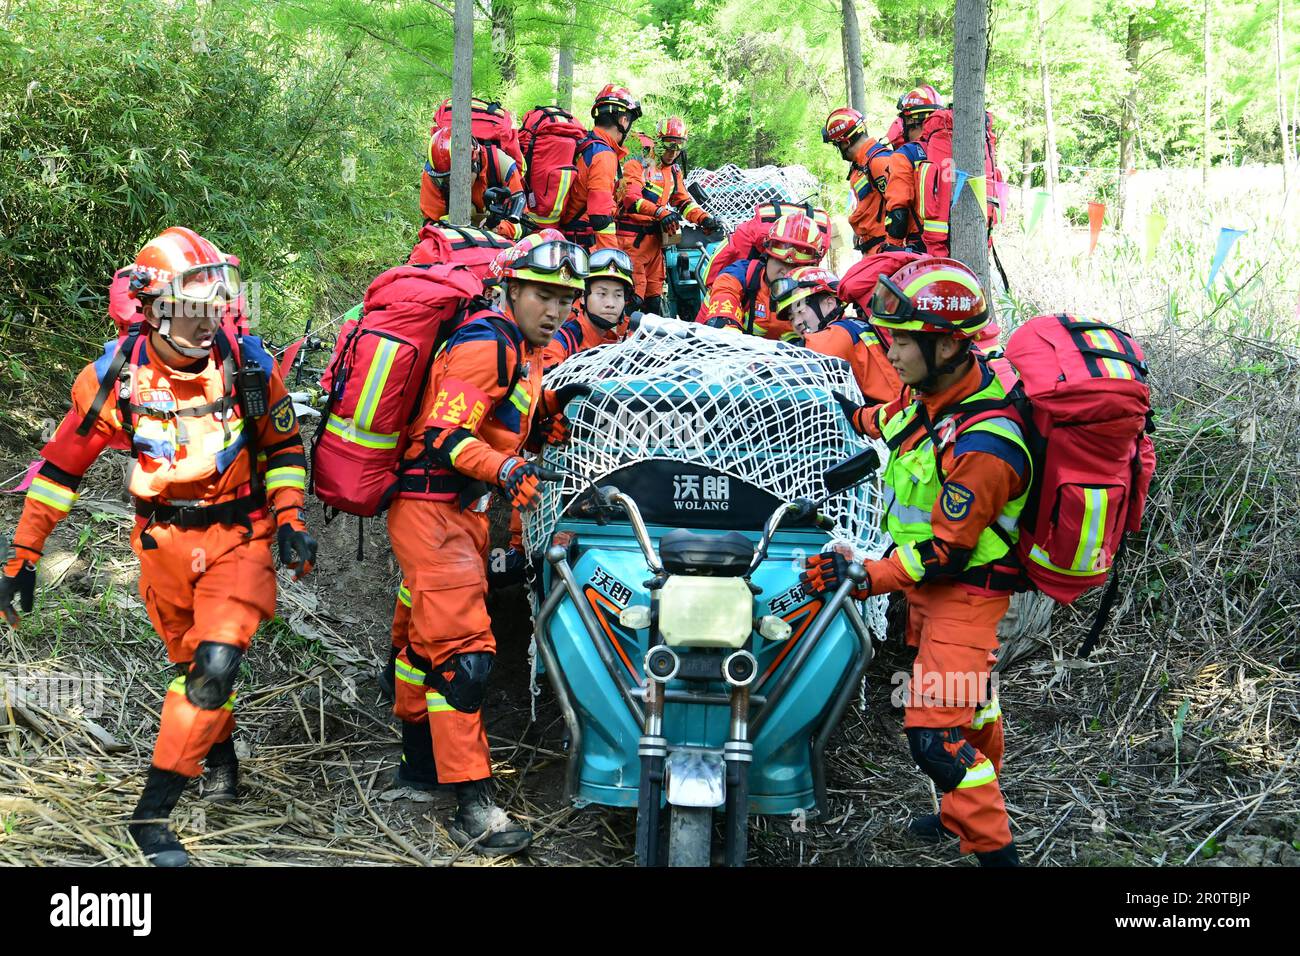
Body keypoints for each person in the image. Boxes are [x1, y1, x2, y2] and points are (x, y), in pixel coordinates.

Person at [0, 227, 317, 867]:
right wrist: (24, 557)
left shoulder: (247, 364)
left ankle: (152, 816)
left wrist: (288, 518)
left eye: (215, 304)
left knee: (217, 664)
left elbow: (283, 448)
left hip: (239, 537)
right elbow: (61, 471)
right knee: (193, 672)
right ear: (152, 309)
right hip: (161, 543)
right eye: (191, 307)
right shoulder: (112, 379)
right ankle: (218, 758)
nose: (208, 321)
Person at [802, 256, 1027, 867]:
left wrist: (865, 577)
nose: (889, 352)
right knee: (972, 702)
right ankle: (965, 808)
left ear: (949, 345)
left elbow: (946, 550)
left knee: (935, 738)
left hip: (966, 594)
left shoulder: (985, 443)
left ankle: (994, 853)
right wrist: (803, 394)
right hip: (934, 594)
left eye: (902, 340)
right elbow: (881, 422)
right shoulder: (933, 399)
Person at [385, 234, 589, 856]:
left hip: (460, 515)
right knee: (467, 661)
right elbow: (444, 435)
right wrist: (504, 469)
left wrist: (545, 413)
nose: (555, 310)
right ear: (510, 290)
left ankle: (418, 769)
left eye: (564, 299)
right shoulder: (486, 344)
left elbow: (498, 418)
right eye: (542, 295)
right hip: (433, 512)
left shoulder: (525, 352)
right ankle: (472, 804)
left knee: (421, 645)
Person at [618, 117, 722, 314]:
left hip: (655, 245)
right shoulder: (638, 163)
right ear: (658, 141)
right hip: (631, 242)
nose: (673, 152)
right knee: (633, 299)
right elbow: (631, 200)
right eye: (669, 145)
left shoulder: (673, 171)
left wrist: (704, 218)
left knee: (654, 301)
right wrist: (660, 212)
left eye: (678, 147)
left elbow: (683, 202)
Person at [770, 266, 900, 404]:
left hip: (890, 418)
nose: (796, 322)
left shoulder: (840, 333)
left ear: (830, 303)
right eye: (791, 318)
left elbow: (800, 356)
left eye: (800, 311)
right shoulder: (854, 326)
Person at [698, 212, 824, 341]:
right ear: (766, 257)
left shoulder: (821, 298)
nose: (786, 272)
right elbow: (722, 326)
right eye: (780, 261)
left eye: (797, 266)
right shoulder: (737, 276)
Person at [559, 85, 641, 251]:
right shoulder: (603, 155)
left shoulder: (586, 144)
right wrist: (612, 259)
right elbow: (600, 217)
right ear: (623, 121)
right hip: (578, 245)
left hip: (564, 236)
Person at [420, 128, 527, 239]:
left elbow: (522, 223)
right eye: (446, 180)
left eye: (457, 178)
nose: (453, 186)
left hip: (495, 241)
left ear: (474, 164)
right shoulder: (433, 176)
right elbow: (430, 222)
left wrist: (499, 228)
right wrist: (442, 230)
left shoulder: (502, 165)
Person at [543, 246, 637, 371]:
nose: (610, 303)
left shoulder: (623, 344)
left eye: (618, 295)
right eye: (602, 294)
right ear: (582, 296)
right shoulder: (559, 341)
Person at [822, 107, 894, 254]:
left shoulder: (879, 162)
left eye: (837, 145)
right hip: (871, 247)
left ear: (846, 143)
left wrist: (892, 247)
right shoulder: (861, 165)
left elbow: (899, 207)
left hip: (884, 249)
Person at [883, 85, 943, 252]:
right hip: (958, 239)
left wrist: (891, 246)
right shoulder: (954, 149)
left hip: (922, 245)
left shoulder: (905, 155)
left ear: (911, 121)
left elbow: (898, 210)